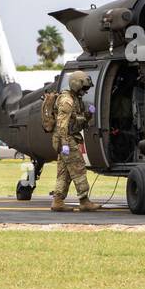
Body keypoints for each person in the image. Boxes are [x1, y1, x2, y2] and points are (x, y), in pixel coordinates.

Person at [51, 70, 101, 212]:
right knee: (78, 167)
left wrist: (90, 113)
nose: (85, 91)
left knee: (64, 171)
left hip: (66, 138)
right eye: (84, 88)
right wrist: (65, 144)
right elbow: (62, 125)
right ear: (76, 85)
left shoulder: (76, 99)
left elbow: (80, 120)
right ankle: (84, 201)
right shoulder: (67, 101)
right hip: (65, 138)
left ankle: (58, 201)